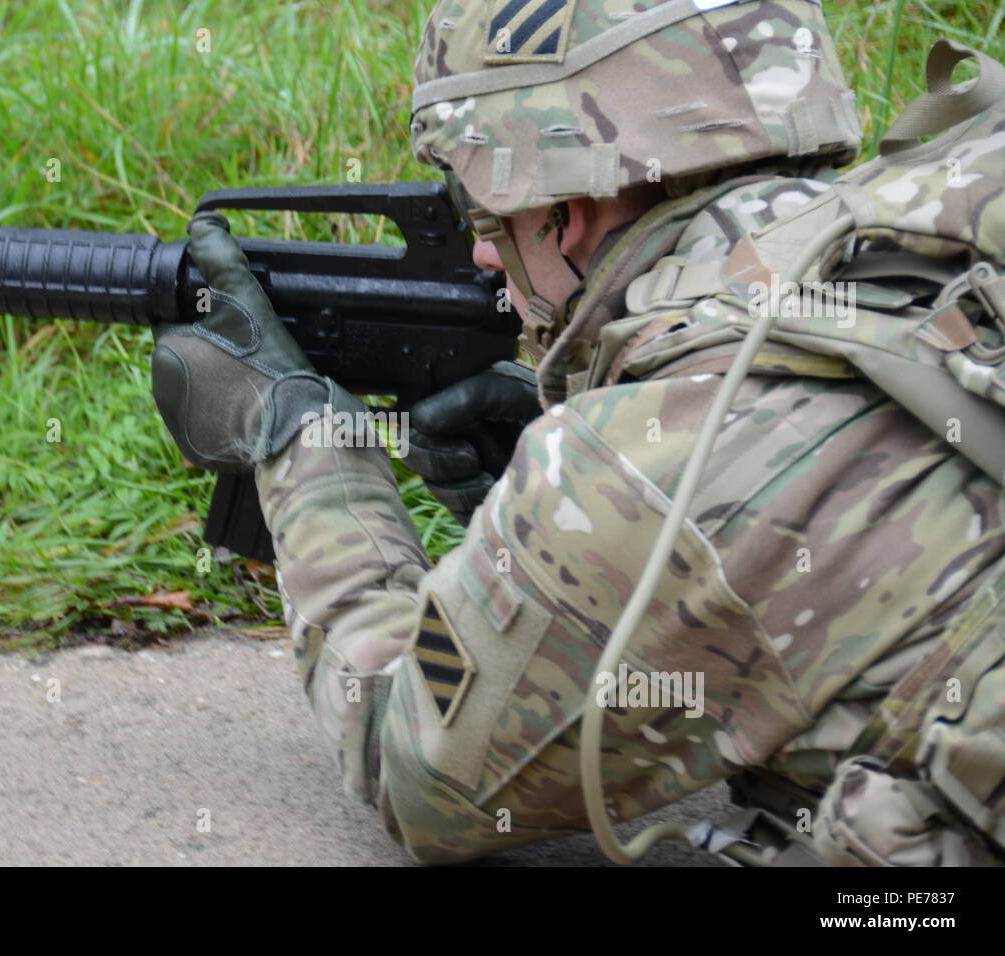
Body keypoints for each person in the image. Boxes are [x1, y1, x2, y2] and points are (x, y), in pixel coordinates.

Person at [151, 0, 1005, 865]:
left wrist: (301, 443)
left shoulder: (649, 464)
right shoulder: (928, 235)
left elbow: (412, 766)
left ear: (570, 209)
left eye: (486, 215)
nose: (486, 255)